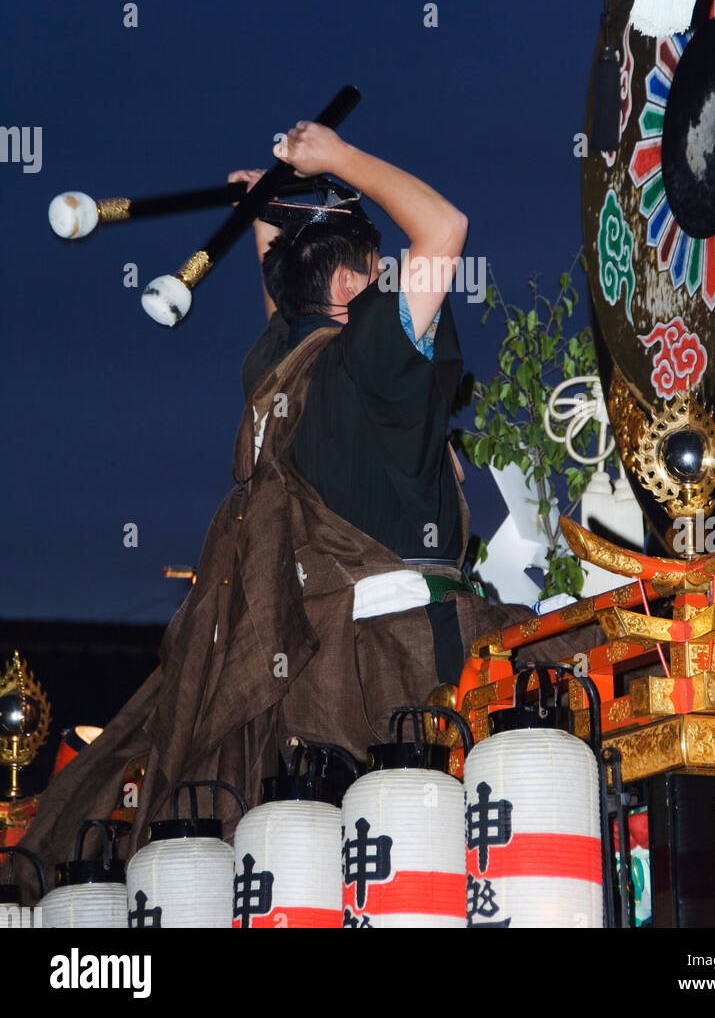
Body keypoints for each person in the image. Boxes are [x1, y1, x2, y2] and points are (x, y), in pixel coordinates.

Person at [18, 124, 599, 884]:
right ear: (351, 290)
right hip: (403, 663)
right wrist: (338, 160)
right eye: (378, 270)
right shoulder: (367, 356)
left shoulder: (273, 377)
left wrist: (266, 208)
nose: (393, 278)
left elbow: (282, 302)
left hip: (304, 679)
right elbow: (444, 228)